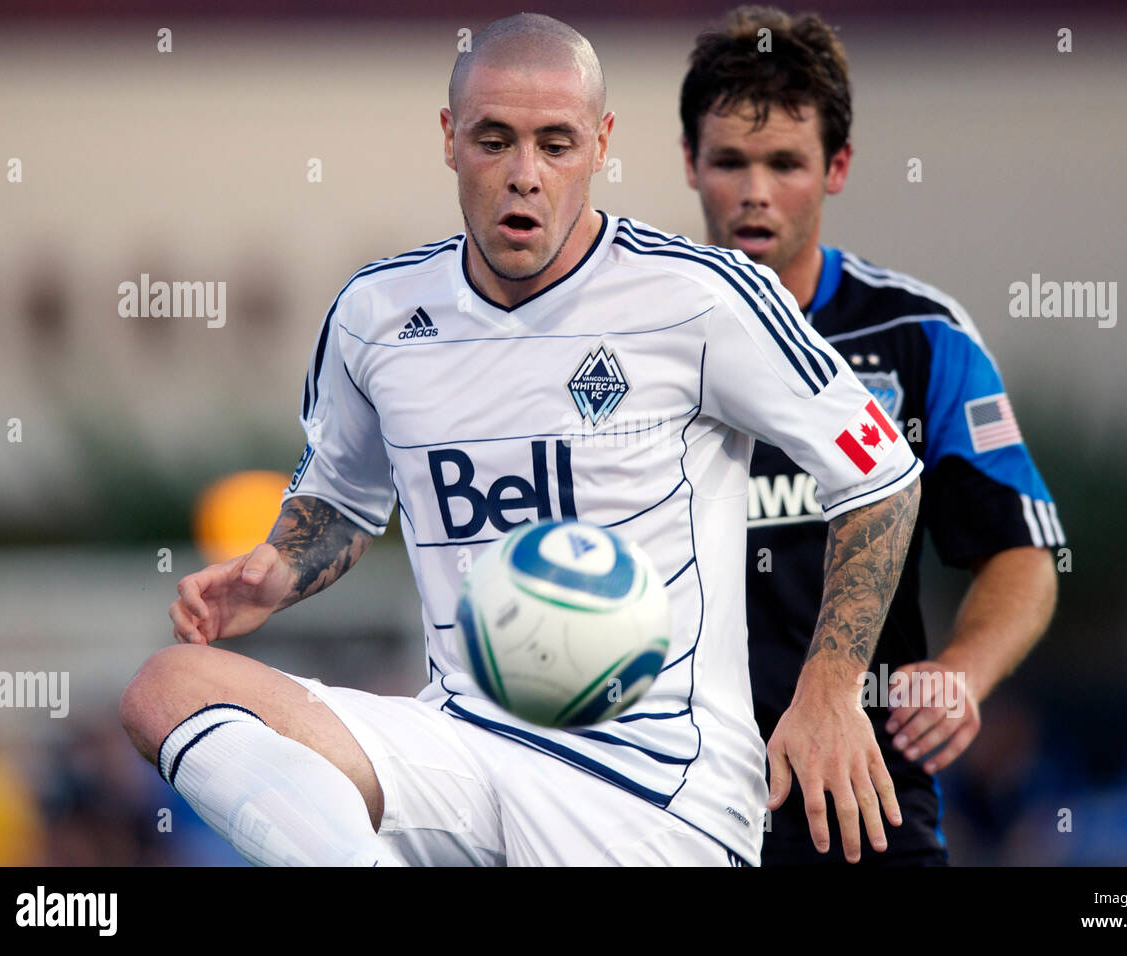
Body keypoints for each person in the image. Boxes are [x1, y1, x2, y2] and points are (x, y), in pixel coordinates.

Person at [119, 11, 921, 867]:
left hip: (656, 792)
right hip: (465, 745)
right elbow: (345, 499)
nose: (524, 176)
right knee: (169, 688)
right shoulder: (377, 317)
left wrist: (831, 690)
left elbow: (881, 478)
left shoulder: (701, 298)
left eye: (557, 144)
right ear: (449, 139)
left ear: (603, 143)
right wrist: (275, 572)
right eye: (494, 140)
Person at [680, 6, 1062, 865]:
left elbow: (1022, 552)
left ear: (837, 167)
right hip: (674, 801)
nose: (754, 192)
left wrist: (963, 670)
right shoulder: (640, 341)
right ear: (689, 164)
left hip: (856, 801)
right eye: (730, 162)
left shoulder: (919, 337)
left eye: (786, 163)